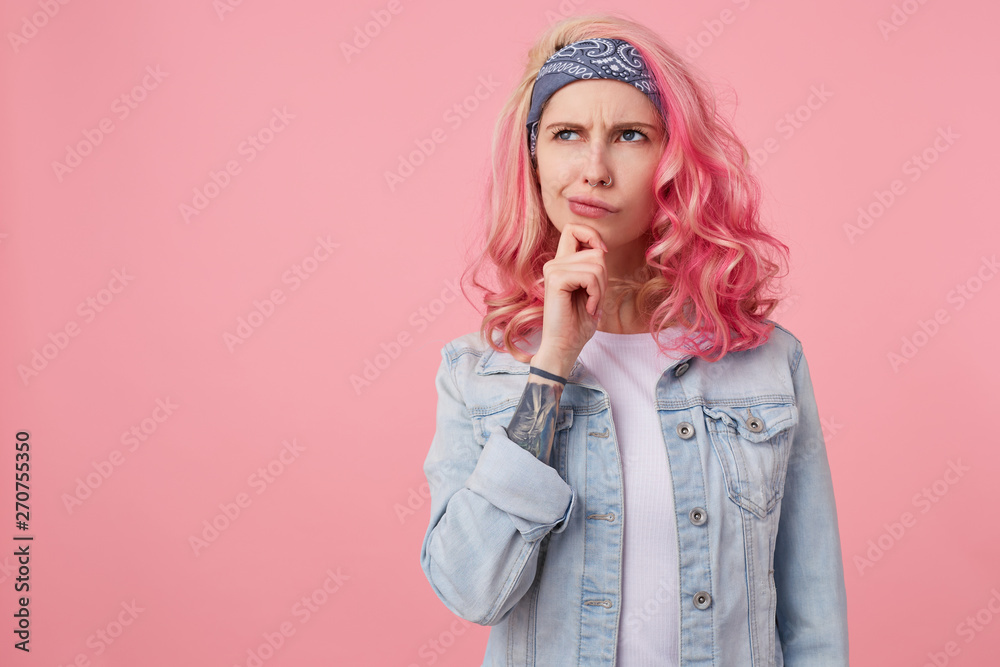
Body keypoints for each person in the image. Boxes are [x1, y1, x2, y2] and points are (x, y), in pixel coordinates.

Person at [419, 12, 848, 666]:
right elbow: (470, 587)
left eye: (629, 134)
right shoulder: (478, 371)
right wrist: (553, 364)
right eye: (567, 134)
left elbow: (812, 614)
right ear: (534, 157)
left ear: (673, 160)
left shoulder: (766, 362)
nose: (594, 167)